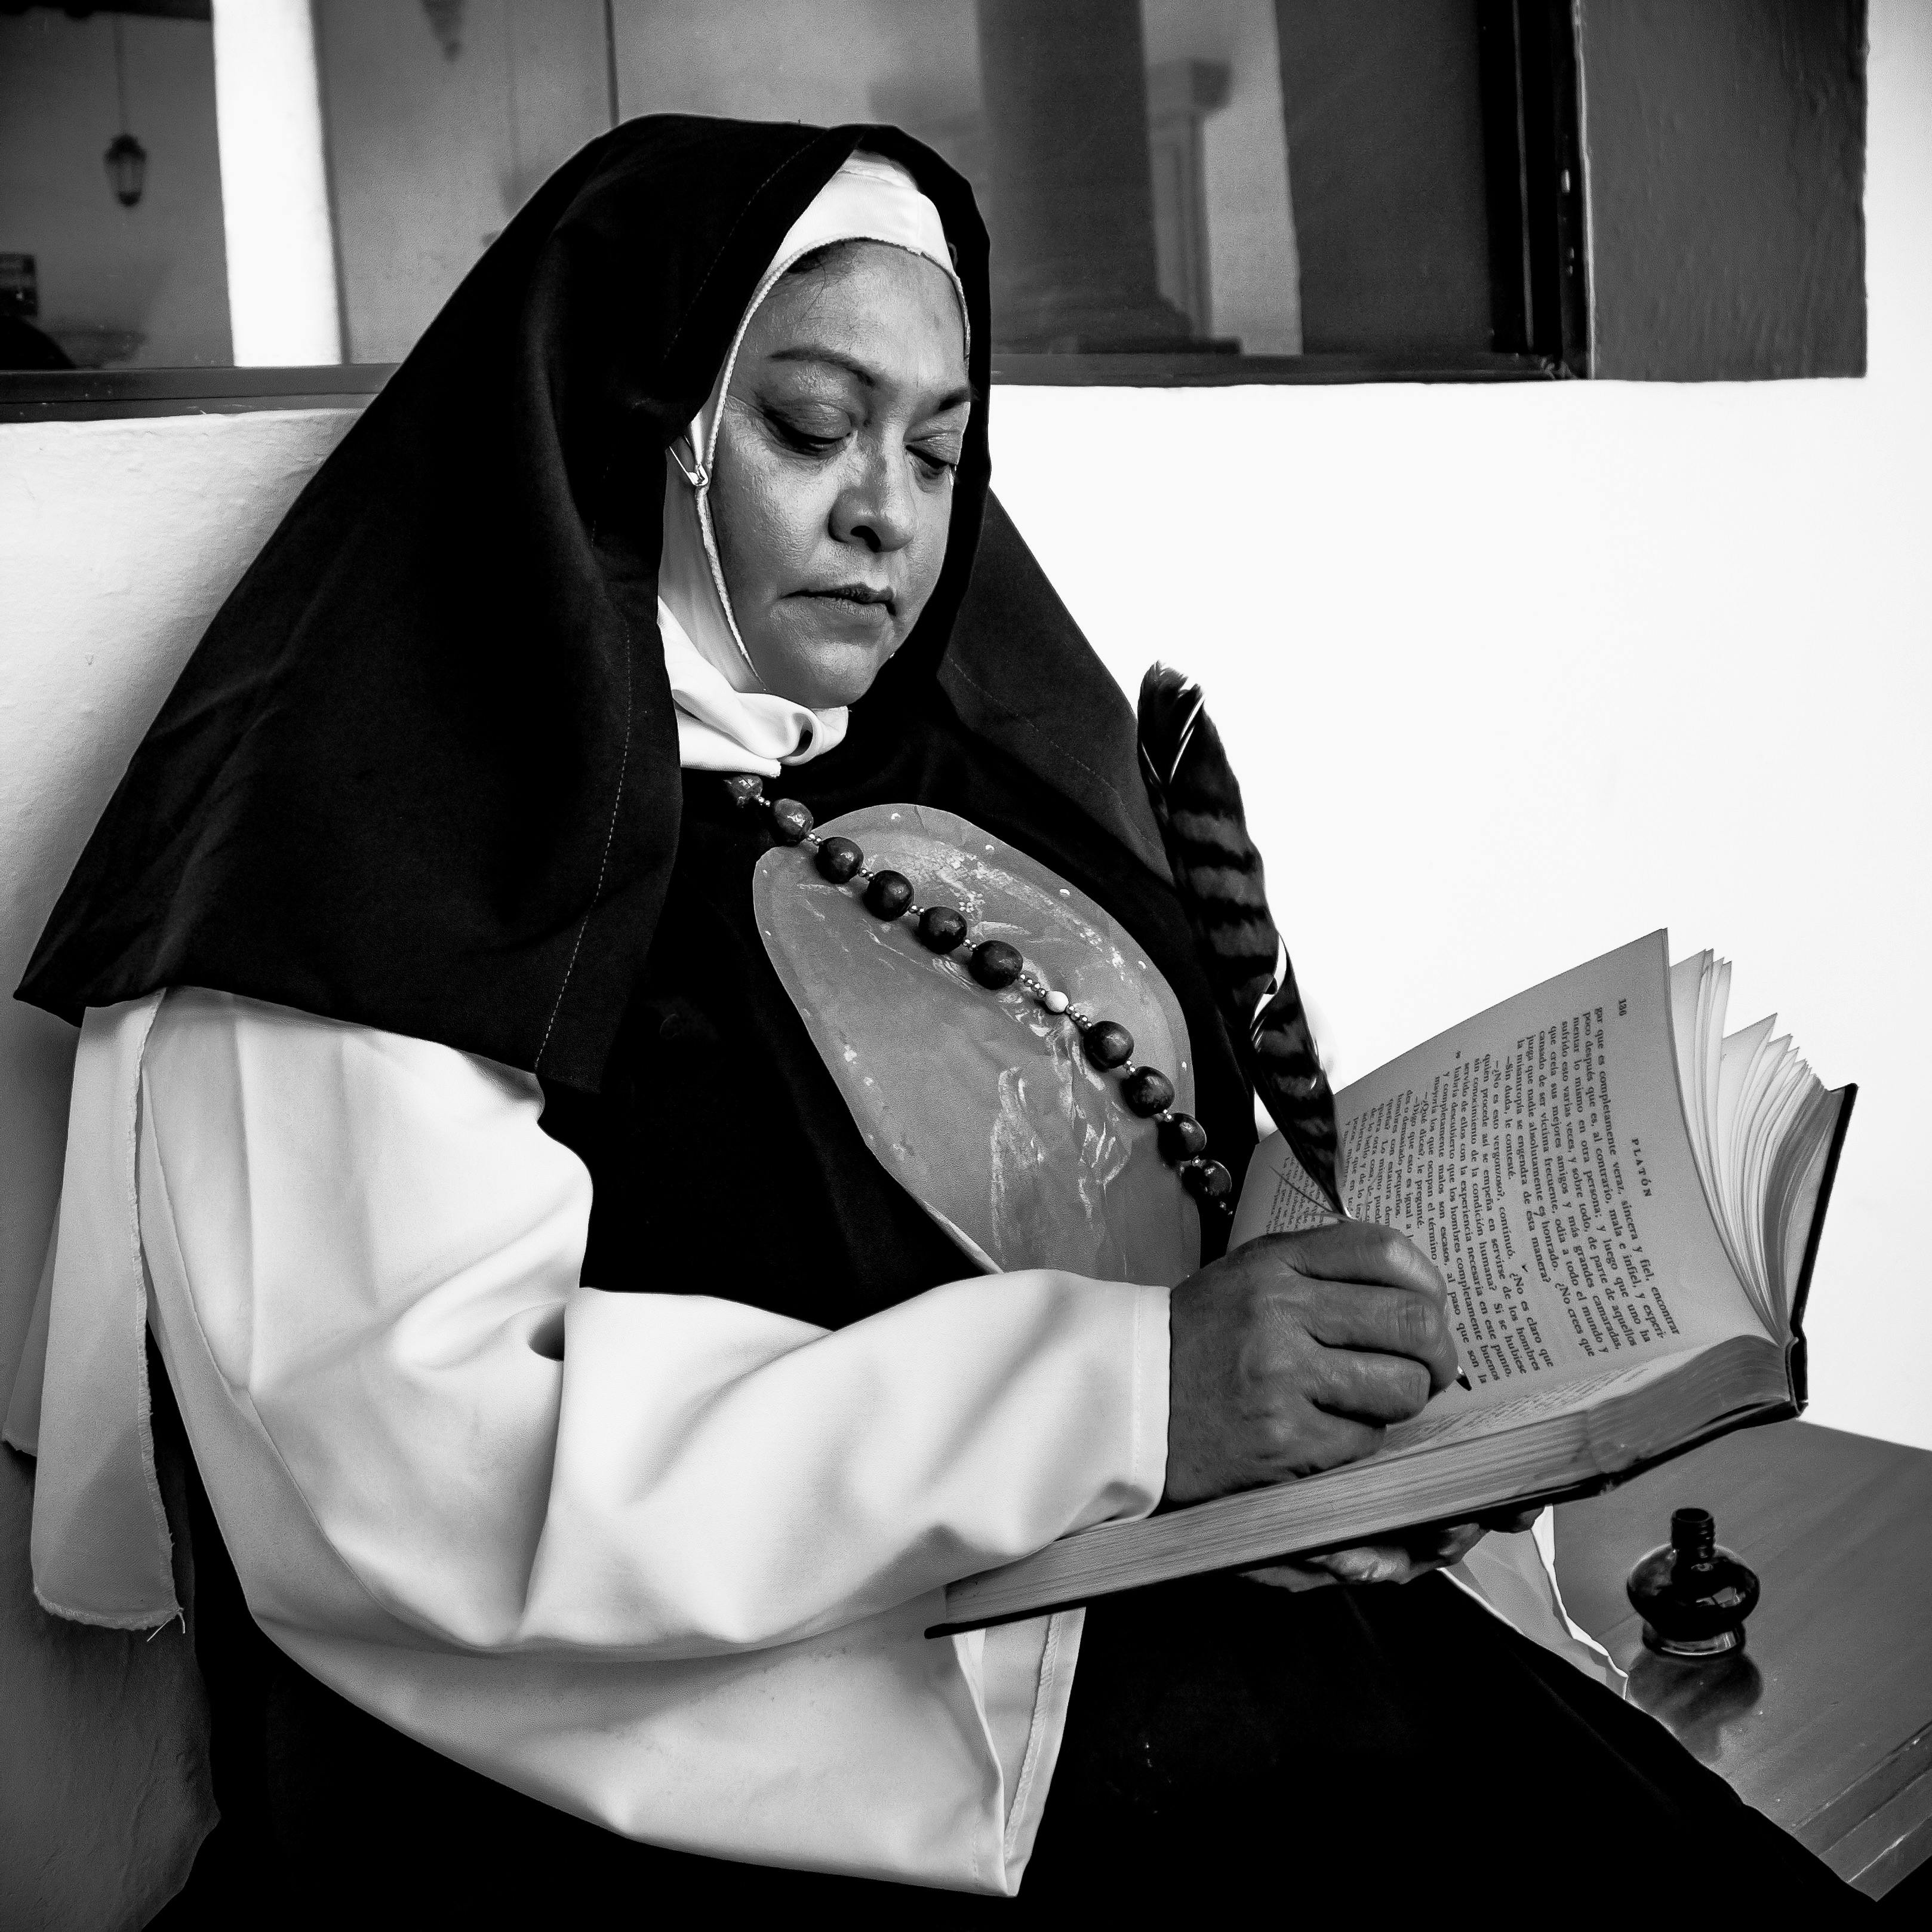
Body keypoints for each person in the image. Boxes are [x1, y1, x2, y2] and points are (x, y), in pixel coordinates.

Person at [10, 119, 1868, 1921]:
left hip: (1082, 1621)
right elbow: (424, 1478)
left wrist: (1344, 1384)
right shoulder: (368, 874)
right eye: (812, 426)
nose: (888, 514)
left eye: (939, 445)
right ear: (642, 423)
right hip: (715, 1780)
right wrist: (1129, 1393)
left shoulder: (884, 771)